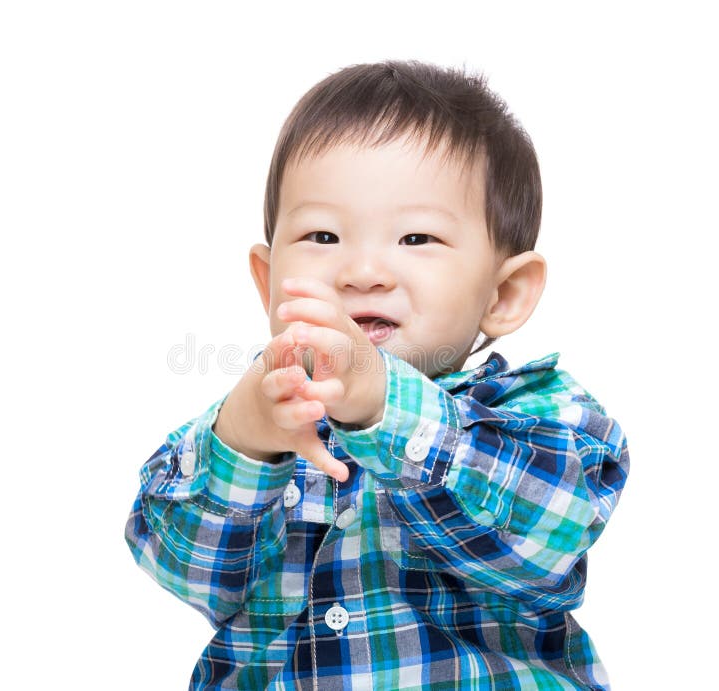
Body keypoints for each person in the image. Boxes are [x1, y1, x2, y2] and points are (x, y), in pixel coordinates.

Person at [124, 59, 630, 690]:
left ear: (504, 294)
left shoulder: (546, 417)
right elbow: (184, 567)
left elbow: (548, 531)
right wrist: (245, 438)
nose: (363, 271)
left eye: (416, 238)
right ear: (268, 280)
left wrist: (383, 403)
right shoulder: (263, 427)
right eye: (323, 234)